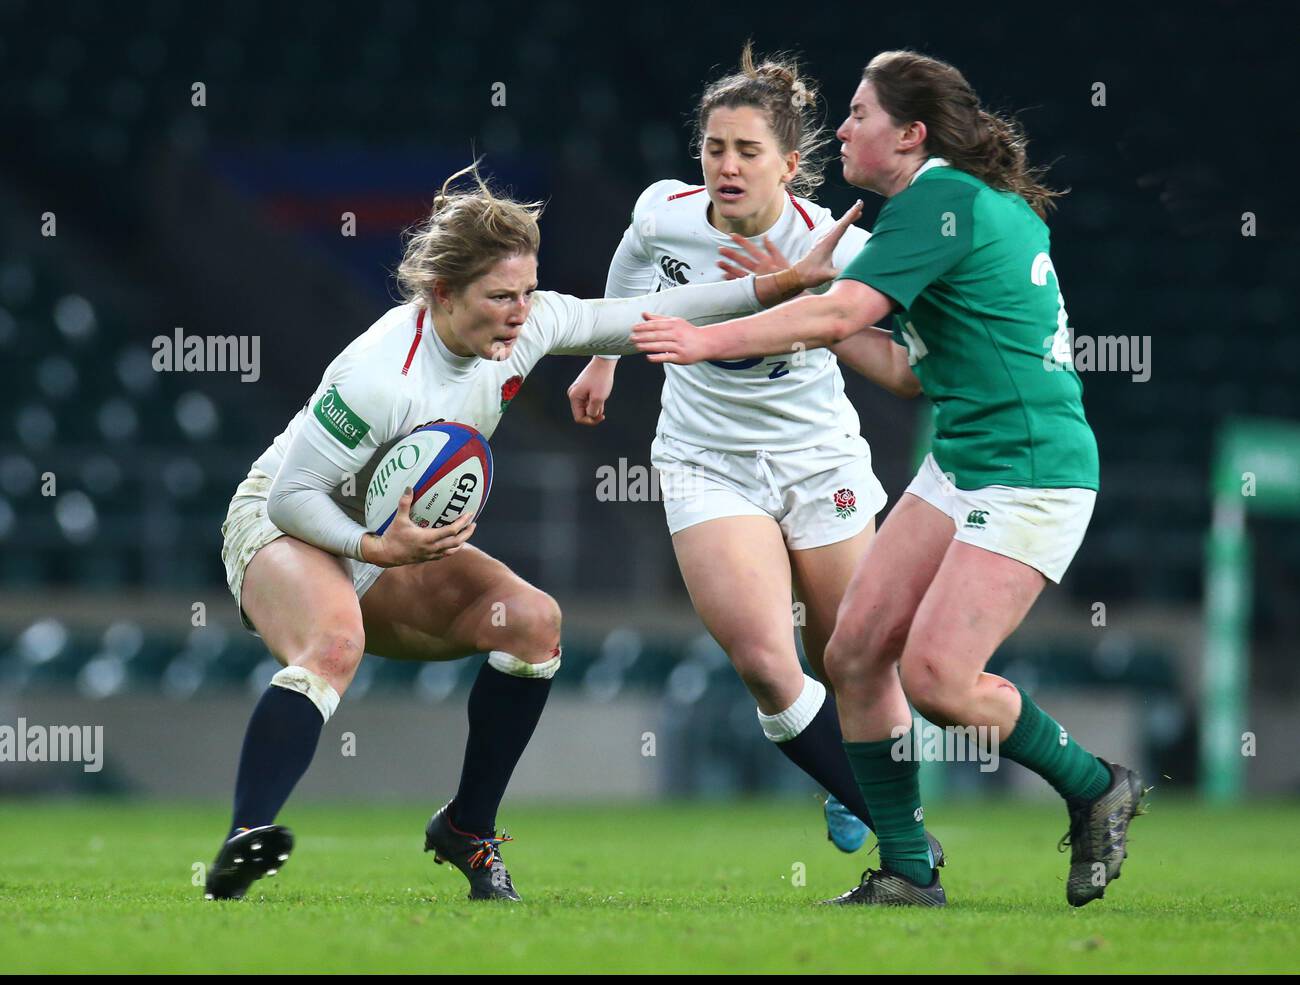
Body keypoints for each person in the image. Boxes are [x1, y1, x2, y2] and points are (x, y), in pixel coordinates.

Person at [208, 163, 857, 903]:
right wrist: (371, 548)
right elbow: (294, 496)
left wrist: (777, 285)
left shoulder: (529, 324)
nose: (520, 312)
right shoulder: (379, 375)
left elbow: (653, 312)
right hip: (285, 525)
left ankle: (467, 829)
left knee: (532, 623)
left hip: (395, 537)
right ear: (443, 293)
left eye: (526, 292)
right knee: (333, 645)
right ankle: (244, 838)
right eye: (500, 296)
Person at [632, 50, 1146, 907]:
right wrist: (799, 306)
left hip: (1031, 470)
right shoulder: (945, 205)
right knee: (856, 650)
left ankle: (1094, 784)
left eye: (861, 114)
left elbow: (837, 313)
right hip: (965, 459)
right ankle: (908, 867)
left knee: (939, 680)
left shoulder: (939, 202)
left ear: (909, 135)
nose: (842, 128)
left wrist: (706, 336)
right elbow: (901, 368)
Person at [568, 45, 940, 866]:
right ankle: (871, 806)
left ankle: (885, 818)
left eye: (746, 152)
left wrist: (809, 302)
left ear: (790, 164)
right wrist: (603, 355)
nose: (726, 167)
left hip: (819, 460)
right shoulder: (665, 212)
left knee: (854, 659)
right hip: (707, 459)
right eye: (713, 148)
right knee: (770, 664)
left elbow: (909, 356)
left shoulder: (835, 245)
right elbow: (630, 265)